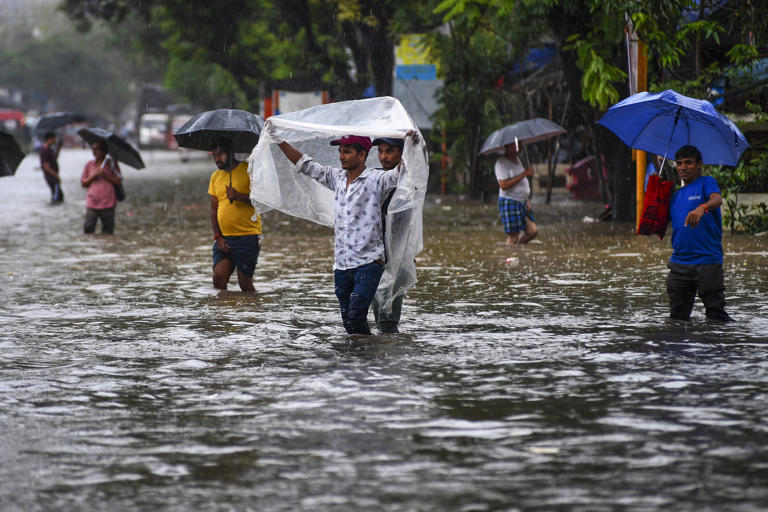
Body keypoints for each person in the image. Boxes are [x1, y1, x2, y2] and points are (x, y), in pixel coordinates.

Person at [273, 132, 403, 335]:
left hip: (368, 262)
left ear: (362, 155)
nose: (341, 156)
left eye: (347, 152)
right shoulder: (337, 178)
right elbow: (306, 165)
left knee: (357, 317)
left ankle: (370, 353)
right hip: (342, 265)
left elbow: (401, 173)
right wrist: (280, 141)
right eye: (340, 152)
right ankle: (365, 353)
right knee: (349, 324)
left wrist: (413, 146)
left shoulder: (377, 180)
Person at [666, 144, 732, 322]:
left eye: (688, 163)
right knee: (677, 320)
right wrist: (654, 198)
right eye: (679, 163)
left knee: (716, 316)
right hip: (679, 264)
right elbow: (660, 227)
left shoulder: (706, 183)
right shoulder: (675, 197)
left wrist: (702, 207)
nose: (683, 167)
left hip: (707, 261)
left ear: (700, 164)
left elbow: (717, 199)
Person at [208, 138, 262, 292]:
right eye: (214, 156)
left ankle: (252, 306)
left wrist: (239, 196)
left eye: (220, 154)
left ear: (230, 153)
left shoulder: (248, 170)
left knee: (244, 283)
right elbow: (213, 211)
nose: (217, 159)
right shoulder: (215, 177)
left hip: (248, 235)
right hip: (224, 237)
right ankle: (225, 308)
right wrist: (218, 237)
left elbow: (261, 200)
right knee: (218, 279)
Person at [369, 136, 411, 333]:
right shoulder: (375, 178)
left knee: (387, 322)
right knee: (378, 316)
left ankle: (388, 350)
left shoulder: (407, 183)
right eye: (380, 151)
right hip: (373, 257)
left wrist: (413, 146)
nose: (383, 156)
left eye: (389, 151)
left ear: (402, 153)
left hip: (395, 258)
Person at [495, 141, 538, 244]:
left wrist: (526, 199)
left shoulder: (517, 159)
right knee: (513, 236)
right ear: (509, 147)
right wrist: (525, 173)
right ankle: (511, 252)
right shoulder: (501, 163)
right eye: (517, 145)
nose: (520, 147)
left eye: (520, 144)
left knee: (532, 231)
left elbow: (521, 183)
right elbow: (503, 185)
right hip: (510, 201)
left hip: (522, 202)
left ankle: (517, 250)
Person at [80, 140, 122, 234]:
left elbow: (118, 182)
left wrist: (105, 175)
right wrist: (93, 176)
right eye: (93, 149)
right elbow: (83, 183)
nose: (95, 151)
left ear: (104, 151)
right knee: (88, 229)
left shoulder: (112, 165)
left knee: (108, 232)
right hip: (92, 203)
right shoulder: (89, 165)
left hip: (108, 203)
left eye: (98, 149)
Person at [39, 132, 63, 203]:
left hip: (53, 176)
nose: (54, 140)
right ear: (48, 139)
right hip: (51, 177)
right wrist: (56, 176)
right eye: (53, 139)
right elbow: (46, 167)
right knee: (57, 196)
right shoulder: (44, 151)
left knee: (58, 195)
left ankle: (54, 207)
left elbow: (54, 159)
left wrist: (59, 148)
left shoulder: (49, 150)